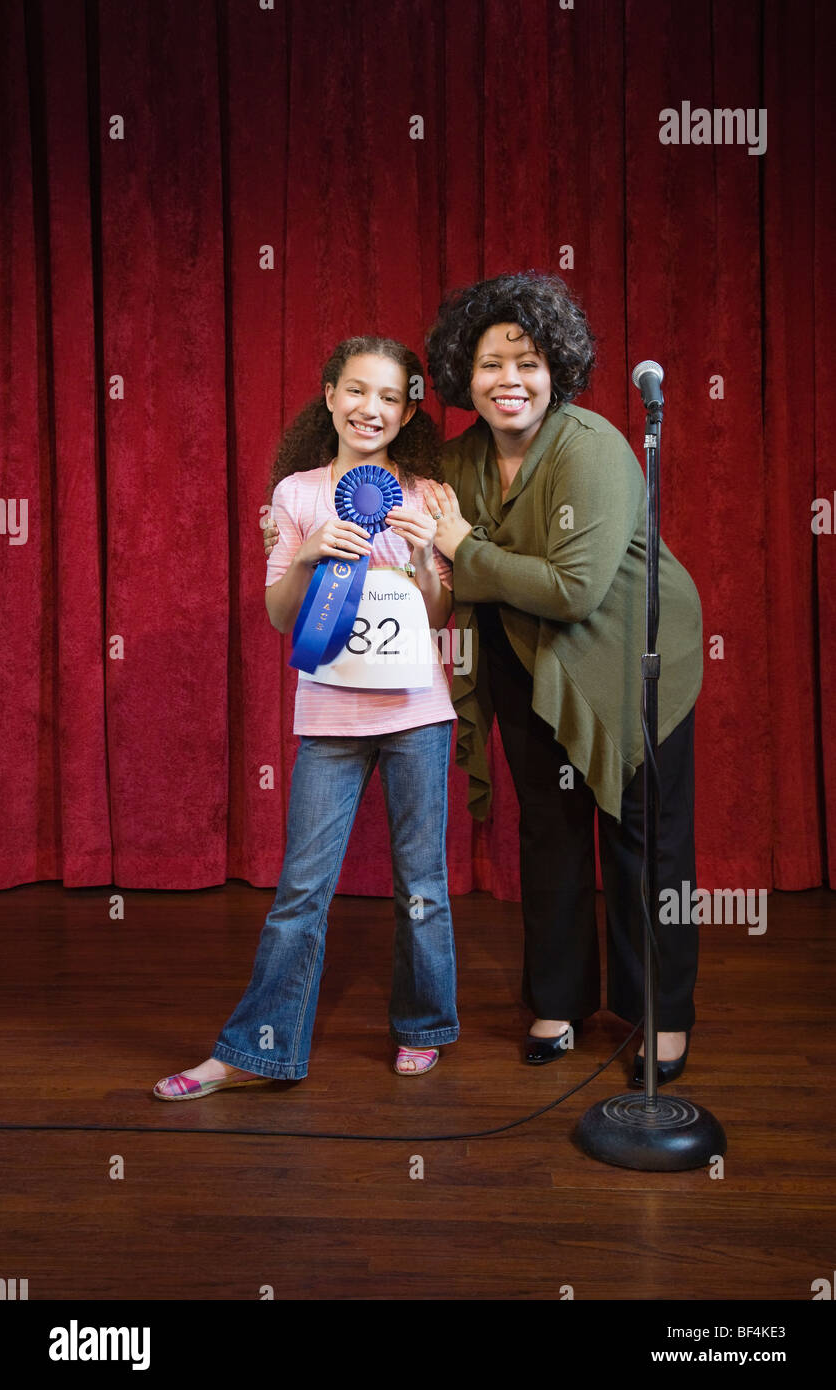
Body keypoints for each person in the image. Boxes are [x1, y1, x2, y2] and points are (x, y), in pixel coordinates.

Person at [154, 337, 459, 1100]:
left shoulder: (427, 493)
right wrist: (305, 555)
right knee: (300, 890)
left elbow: (440, 613)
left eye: (389, 397)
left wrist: (425, 558)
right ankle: (255, 1050)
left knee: (420, 882)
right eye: (356, 391)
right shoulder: (294, 495)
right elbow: (278, 615)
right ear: (329, 396)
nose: (371, 409)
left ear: (407, 410)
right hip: (328, 716)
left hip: (418, 712)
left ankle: (423, 1027)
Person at [421, 271, 702, 1085]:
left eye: (529, 362)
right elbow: (437, 557)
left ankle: (659, 1013)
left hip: (629, 662)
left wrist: (463, 551)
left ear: (559, 371)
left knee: (641, 842)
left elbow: (573, 590)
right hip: (524, 660)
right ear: (462, 377)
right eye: (490, 364)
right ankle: (559, 999)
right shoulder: (457, 457)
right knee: (547, 831)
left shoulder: (594, 447)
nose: (509, 379)